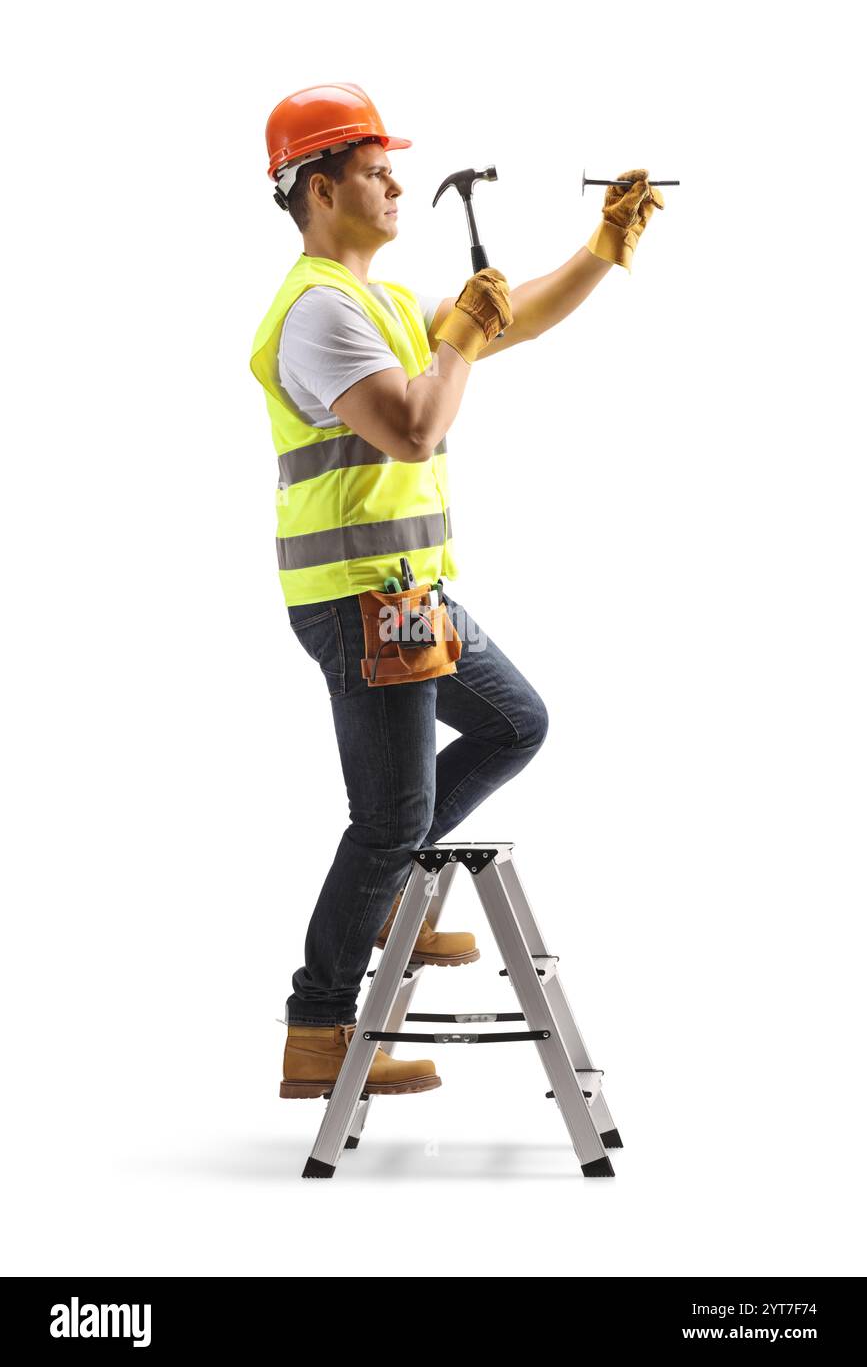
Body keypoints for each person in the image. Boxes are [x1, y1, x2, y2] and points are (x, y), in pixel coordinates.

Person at [249, 83, 664, 1099]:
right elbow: (416, 426)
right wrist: (462, 343)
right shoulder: (316, 314)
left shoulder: (382, 302)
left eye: (394, 163)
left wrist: (600, 249)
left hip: (407, 593)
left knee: (516, 724)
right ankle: (318, 1030)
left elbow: (507, 317)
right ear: (318, 186)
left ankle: (390, 903)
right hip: (358, 597)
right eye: (374, 164)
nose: (394, 179)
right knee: (390, 818)